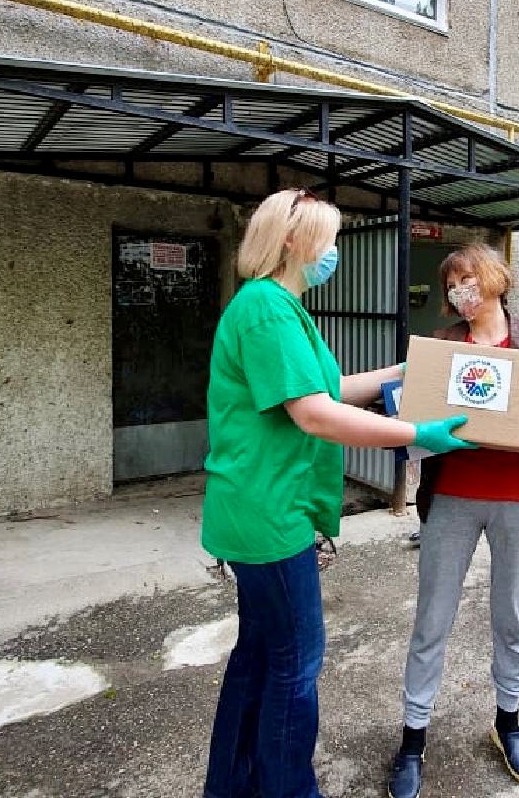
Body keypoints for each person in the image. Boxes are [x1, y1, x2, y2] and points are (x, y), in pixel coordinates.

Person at [201, 188, 473, 798]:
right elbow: (316, 414)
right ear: (294, 242)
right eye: (326, 239)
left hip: (260, 510)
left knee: (258, 658)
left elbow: (333, 387)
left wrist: (405, 371)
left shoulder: (277, 307)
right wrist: (416, 433)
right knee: (294, 666)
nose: (333, 252)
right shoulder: (269, 310)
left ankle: (234, 785)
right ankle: (289, 789)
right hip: (269, 518)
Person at [387, 243, 519, 798]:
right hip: (452, 501)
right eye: (451, 285)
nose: (458, 291)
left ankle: (508, 721)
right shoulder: (443, 346)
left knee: (513, 618)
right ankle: (413, 735)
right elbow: (411, 413)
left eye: (467, 279)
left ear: (495, 278)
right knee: (432, 620)